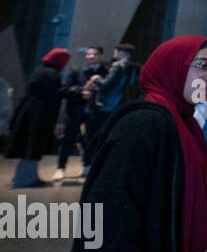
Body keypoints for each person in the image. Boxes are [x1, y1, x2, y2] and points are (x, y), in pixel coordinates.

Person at [41, 36, 207, 252]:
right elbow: (103, 219)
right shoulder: (143, 125)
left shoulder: (185, 124)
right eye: (202, 66)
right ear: (172, 68)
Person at [5, 48, 77, 188]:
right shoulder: (51, 73)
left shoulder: (42, 71)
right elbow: (57, 92)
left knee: (31, 148)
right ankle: (25, 180)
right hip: (39, 115)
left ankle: (27, 177)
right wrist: (77, 92)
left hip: (31, 113)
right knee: (33, 147)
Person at [81, 43, 140, 169]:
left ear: (121, 52)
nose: (114, 55)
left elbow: (106, 84)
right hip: (125, 107)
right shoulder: (136, 67)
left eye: (115, 52)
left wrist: (96, 78)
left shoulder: (117, 65)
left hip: (107, 107)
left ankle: (91, 165)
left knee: (96, 136)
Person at [54, 45, 107, 182]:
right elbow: (65, 89)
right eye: (88, 54)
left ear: (100, 56)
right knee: (68, 138)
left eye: (94, 54)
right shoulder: (76, 70)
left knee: (91, 140)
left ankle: (88, 168)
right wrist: (81, 92)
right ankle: (60, 167)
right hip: (76, 109)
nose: (90, 56)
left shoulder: (106, 71)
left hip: (96, 111)